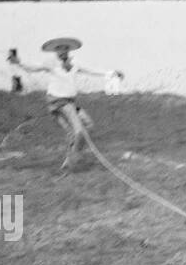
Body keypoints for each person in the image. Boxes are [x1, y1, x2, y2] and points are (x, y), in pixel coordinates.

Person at [13, 38, 122, 170]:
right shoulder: (51, 63)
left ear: (68, 50)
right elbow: (34, 67)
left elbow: (91, 70)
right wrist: (19, 63)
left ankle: (69, 161)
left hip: (70, 102)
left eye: (64, 48)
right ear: (55, 51)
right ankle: (75, 158)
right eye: (58, 49)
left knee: (87, 124)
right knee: (79, 130)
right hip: (58, 102)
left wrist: (111, 73)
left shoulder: (75, 63)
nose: (62, 51)